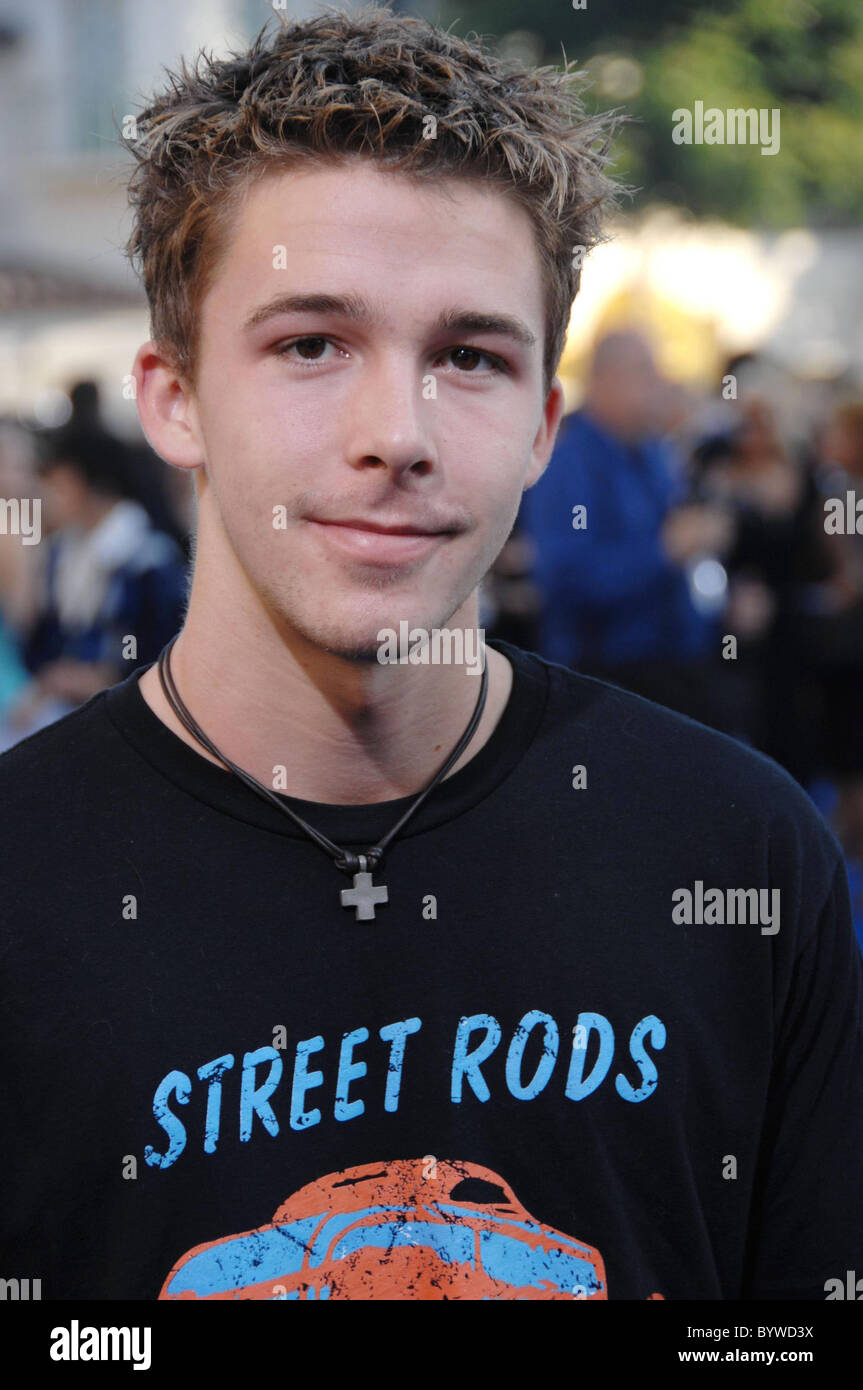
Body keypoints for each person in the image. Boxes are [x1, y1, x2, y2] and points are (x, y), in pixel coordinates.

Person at [0, 5, 861, 1303]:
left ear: (537, 427)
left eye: (466, 356)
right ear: (173, 397)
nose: (392, 431)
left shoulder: (733, 851)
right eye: (308, 343)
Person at [520, 331, 735, 727]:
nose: (659, 383)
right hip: (606, 680)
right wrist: (666, 550)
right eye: (645, 371)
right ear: (606, 379)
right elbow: (564, 580)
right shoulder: (569, 461)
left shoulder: (653, 450)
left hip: (677, 667)